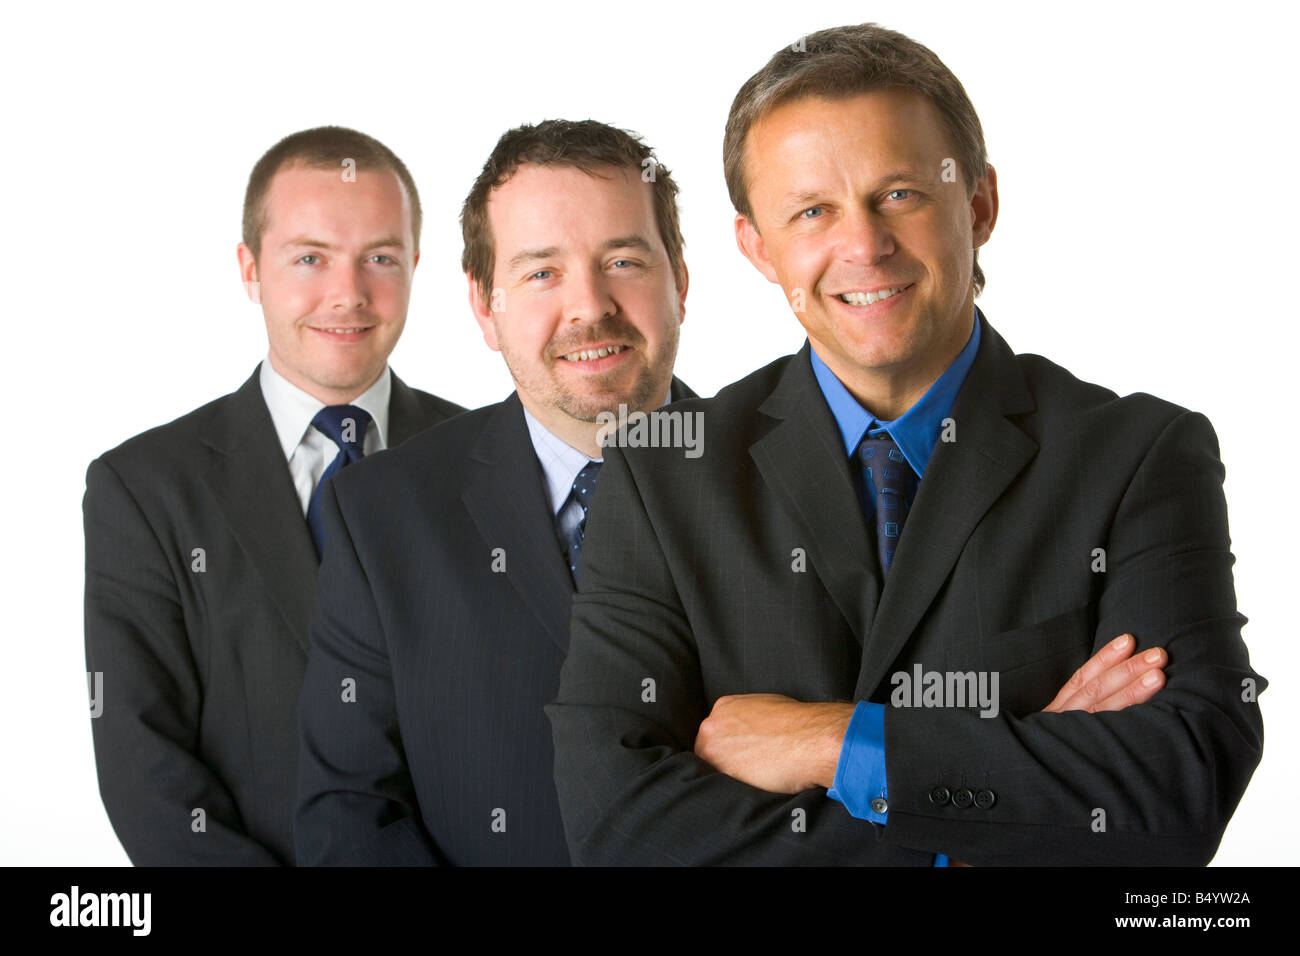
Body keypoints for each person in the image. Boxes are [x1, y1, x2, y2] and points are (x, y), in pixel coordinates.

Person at [547, 23, 1266, 865]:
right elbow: (616, 825)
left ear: (981, 204)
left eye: (899, 195)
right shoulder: (660, 475)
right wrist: (1013, 788)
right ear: (757, 247)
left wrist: (838, 744)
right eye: (812, 211)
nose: (863, 246)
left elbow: (1180, 786)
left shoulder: (1140, 455)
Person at [295, 119, 694, 865]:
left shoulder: (790, 479)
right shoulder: (382, 515)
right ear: (485, 306)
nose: (590, 306)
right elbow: (352, 813)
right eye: (542, 272)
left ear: (681, 278)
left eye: (624, 260)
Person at [83, 126, 465, 865]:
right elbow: (142, 763)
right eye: (309, 258)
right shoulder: (144, 488)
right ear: (250, 269)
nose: (348, 294)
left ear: (415, 266)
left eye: (380, 258)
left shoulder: (484, 457)